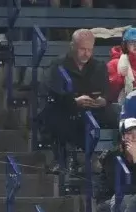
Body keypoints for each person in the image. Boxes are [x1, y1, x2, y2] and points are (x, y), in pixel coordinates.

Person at [44, 30, 113, 178]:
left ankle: (112, 158)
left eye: (90, 49)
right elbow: (52, 91)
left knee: (117, 114)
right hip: (67, 109)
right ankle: (68, 159)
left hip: (94, 109)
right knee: (56, 116)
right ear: (72, 47)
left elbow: (107, 90)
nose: (86, 54)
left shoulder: (99, 66)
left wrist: (103, 100)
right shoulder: (58, 65)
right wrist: (74, 101)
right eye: (83, 49)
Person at [108, 28, 136, 102]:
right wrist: (120, 77)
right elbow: (110, 94)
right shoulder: (114, 64)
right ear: (125, 44)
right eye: (131, 42)